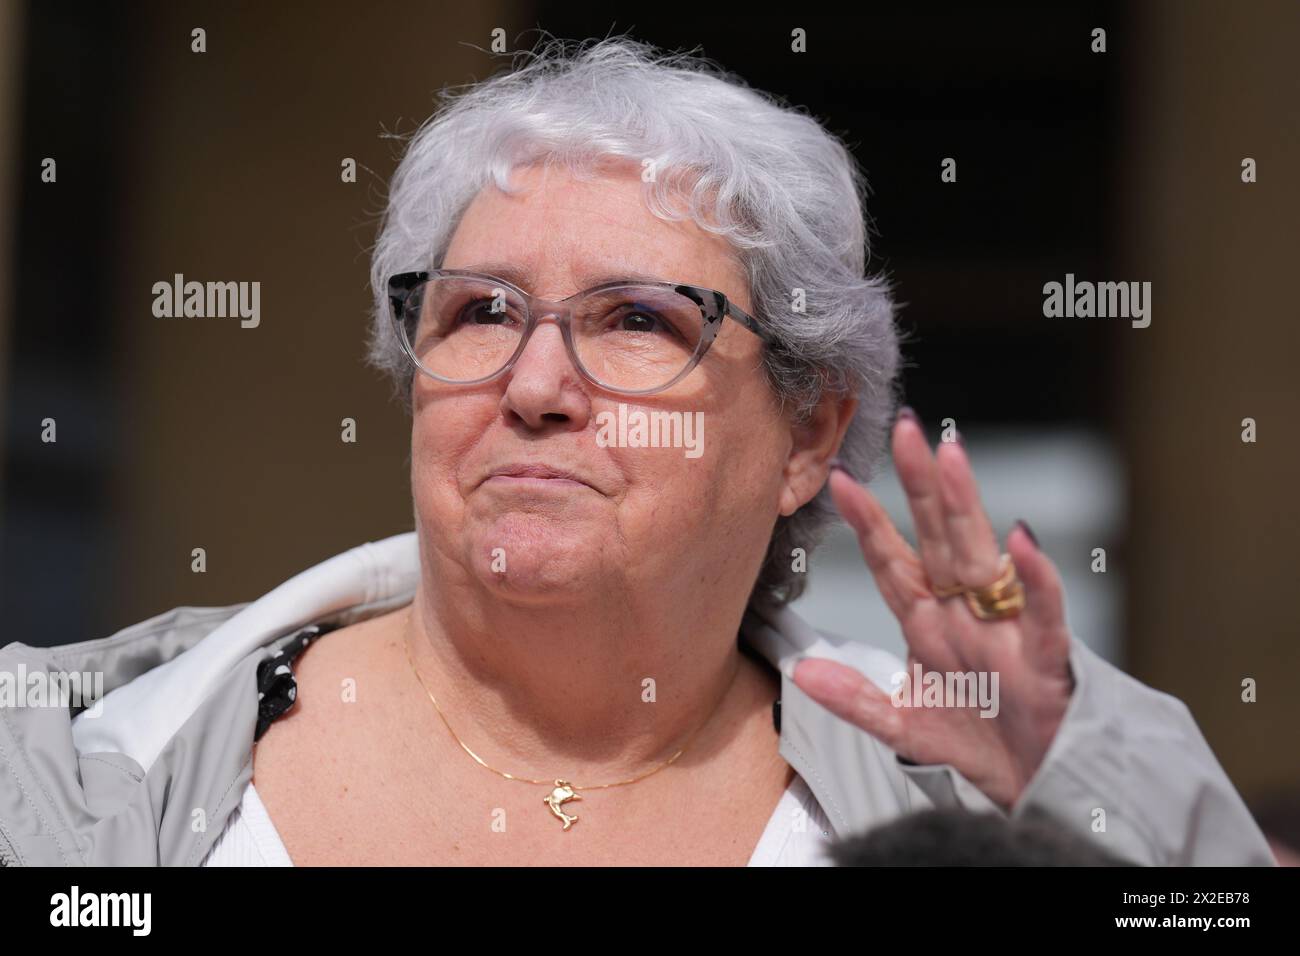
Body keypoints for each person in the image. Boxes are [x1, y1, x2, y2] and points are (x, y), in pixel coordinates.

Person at [0, 36, 1275, 867]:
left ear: (808, 429)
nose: (535, 383)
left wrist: (1096, 791)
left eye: (635, 320)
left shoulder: (955, 809)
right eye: (481, 311)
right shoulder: (53, 759)